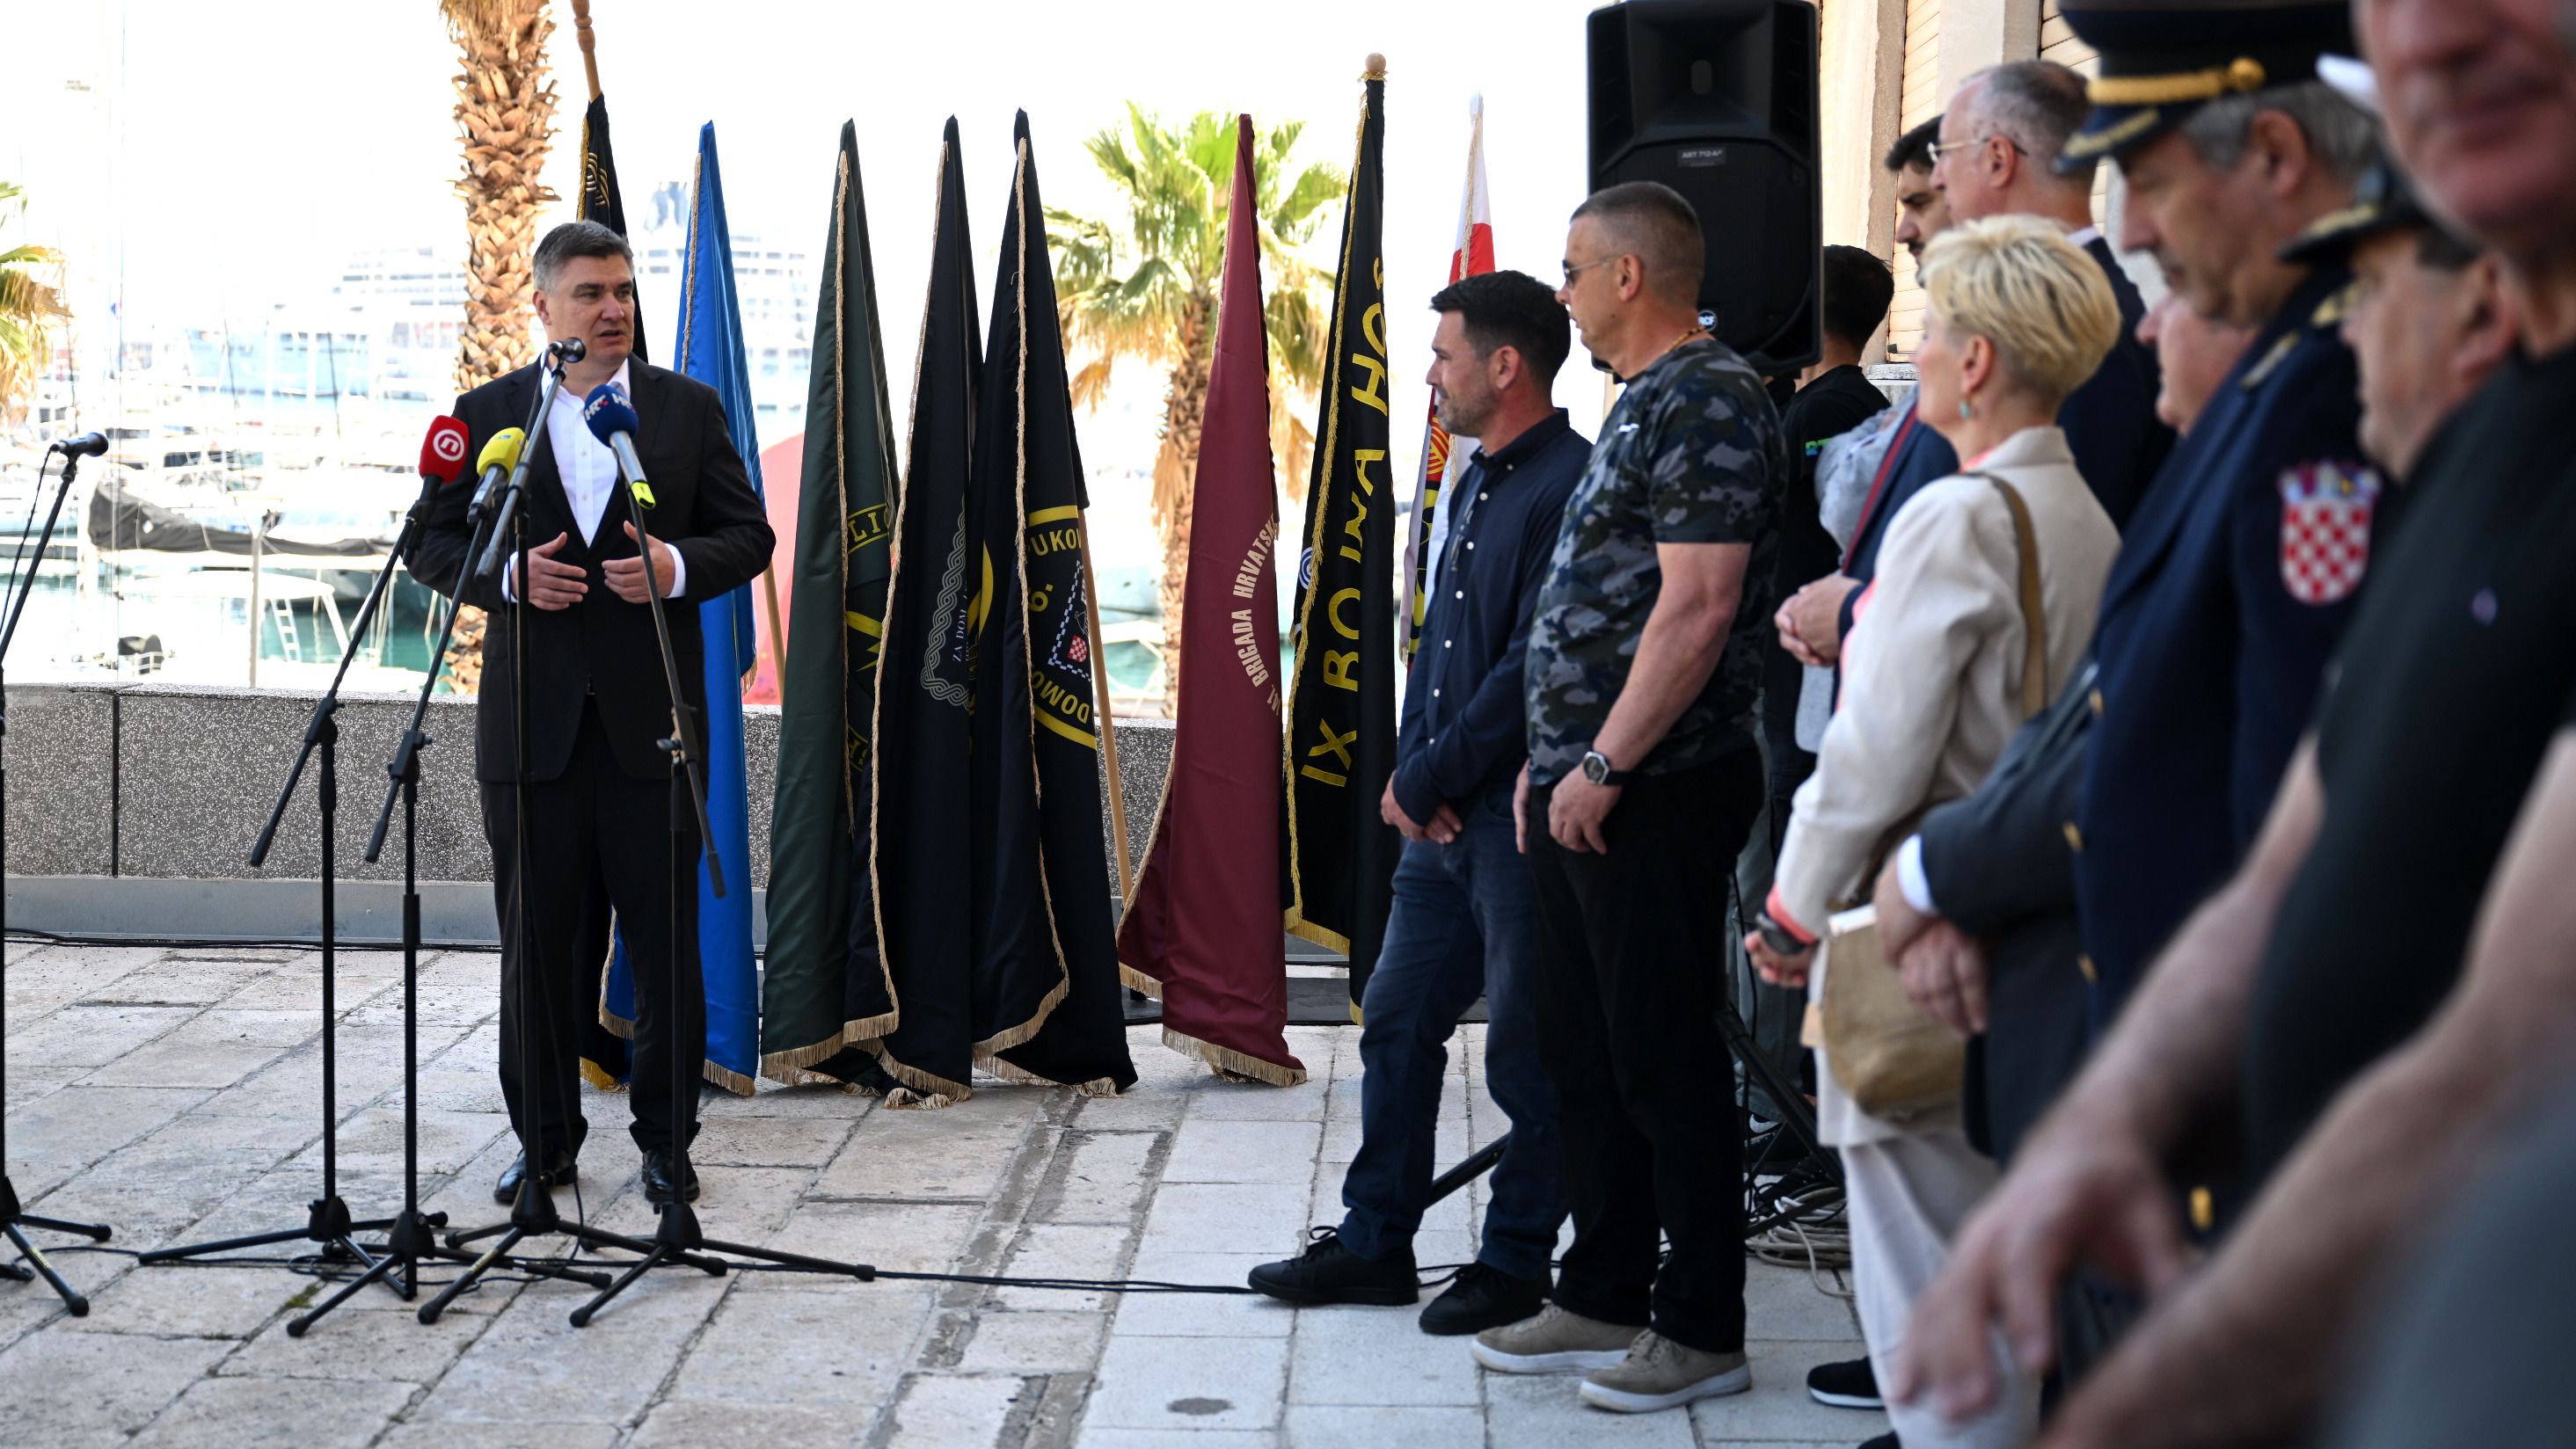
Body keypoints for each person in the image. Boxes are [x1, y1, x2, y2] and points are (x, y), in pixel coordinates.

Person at [1891, 0, 2566, 1438]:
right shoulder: (2480, 435)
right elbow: (2289, 847)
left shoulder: (2358, 405)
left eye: (2377, 284)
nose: (2427, 34)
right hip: (2250, 1190)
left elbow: (2502, 1032)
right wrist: (2112, 1114)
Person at [1747, 216, 2125, 1449]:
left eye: (1938, 330)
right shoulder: (2090, 517)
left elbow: (1872, 749)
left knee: (1933, 1315)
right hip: (2038, 929)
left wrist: (1792, 907)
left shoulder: (1956, 517)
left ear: (1974, 363)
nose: (1922, 350)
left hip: (1919, 928)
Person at [1471, 180, 1783, 1416]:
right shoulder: (1650, 402)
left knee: (1659, 1054)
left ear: (1629, 278)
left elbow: (1698, 607)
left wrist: (1603, 763)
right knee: (1579, 1047)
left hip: (1655, 787)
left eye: (1572, 268)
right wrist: (1546, 763)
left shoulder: (1707, 397)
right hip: (1579, 784)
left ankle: (1701, 1324)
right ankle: (1601, 1285)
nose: (1561, 293)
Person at [1249, 271, 1587, 1335]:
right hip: (1437, 824)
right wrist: (1411, 778)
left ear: (1504, 365)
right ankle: (1374, 1240)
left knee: (1532, 1050)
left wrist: (1431, 778)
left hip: (1513, 822)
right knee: (1395, 1023)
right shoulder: (1473, 480)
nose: (1429, 375)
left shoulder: (1568, 483)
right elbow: (1438, 651)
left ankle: (1515, 1260)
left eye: (1442, 356)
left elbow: (1536, 662)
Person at [412, 220, 776, 1207]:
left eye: (622, 290)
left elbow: (748, 533)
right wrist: (506, 576)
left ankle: (667, 1141)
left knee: (665, 951)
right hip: (532, 737)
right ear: (543, 308)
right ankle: (544, 1146)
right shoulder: (489, 414)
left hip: (651, 730)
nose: (613, 308)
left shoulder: (683, 411)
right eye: (590, 293)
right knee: (538, 953)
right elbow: (430, 545)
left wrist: (673, 565)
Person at [1930, 60, 2174, 527]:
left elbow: (2051, 541)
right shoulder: (2025, 301)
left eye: (1945, 152)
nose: (1938, 177)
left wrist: (1853, 603)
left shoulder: (2080, 321)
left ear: (1998, 160)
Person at [1765, 244, 1894, 814]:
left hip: (1811, 651)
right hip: (1798, 647)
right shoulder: (1806, 402)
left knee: (1794, 796)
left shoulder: (1829, 409)